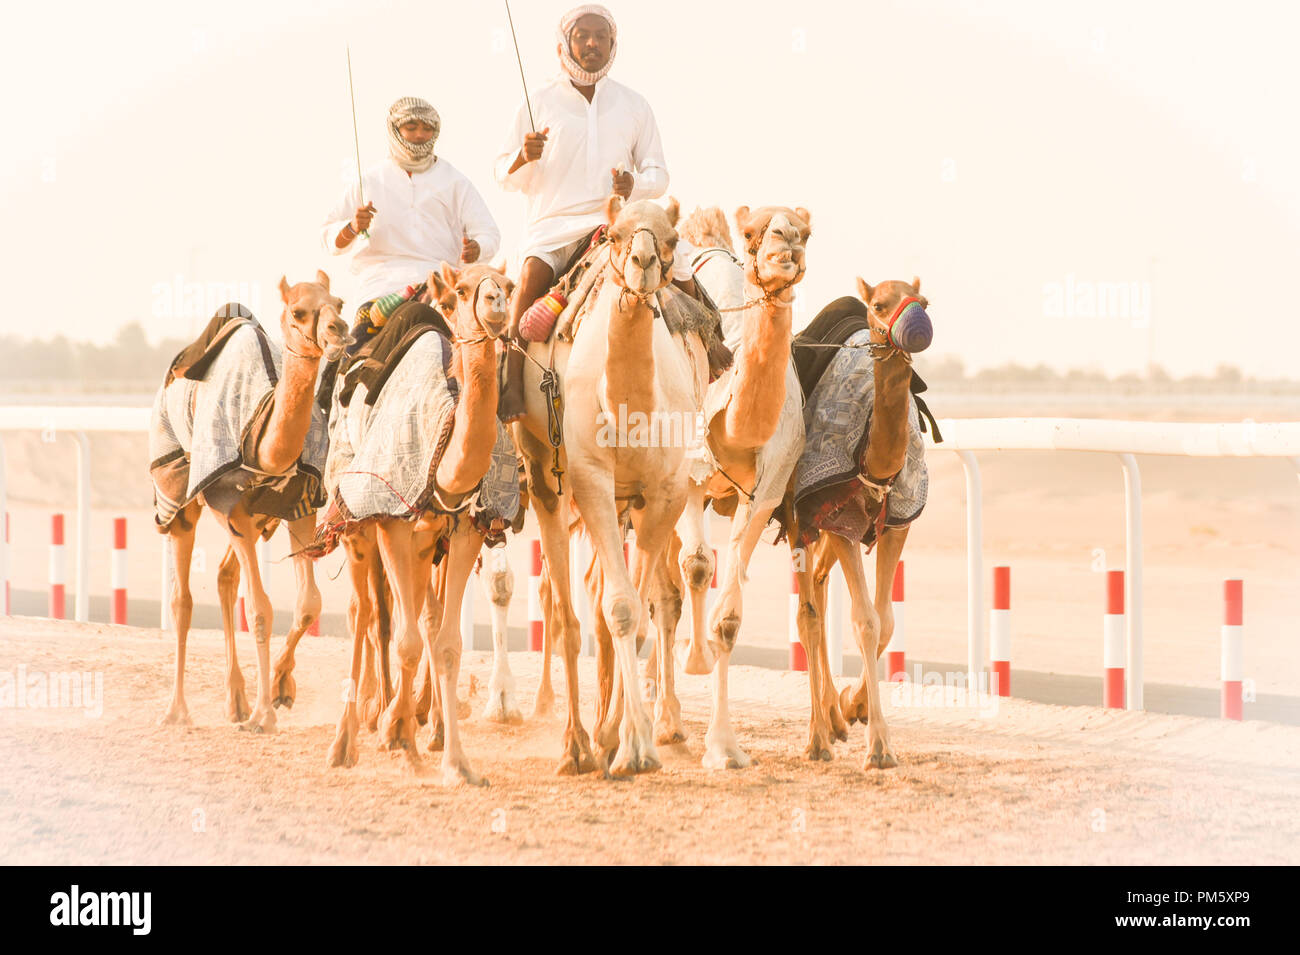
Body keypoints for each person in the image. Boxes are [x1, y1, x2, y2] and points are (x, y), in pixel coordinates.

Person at [493, 4, 697, 421]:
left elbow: (659, 173)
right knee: (530, 278)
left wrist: (633, 186)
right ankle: (513, 385)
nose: (592, 43)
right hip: (552, 228)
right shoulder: (538, 102)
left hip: (615, 227)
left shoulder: (634, 103)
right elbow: (501, 174)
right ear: (564, 44)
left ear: (612, 43)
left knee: (684, 263)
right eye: (582, 35)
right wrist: (521, 156)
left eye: (601, 36)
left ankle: (709, 353)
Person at [323, 96, 501, 346]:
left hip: (441, 290)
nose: (420, 135)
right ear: (395, 130)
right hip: (380, 288)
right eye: (411, 127)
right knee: (353, 359)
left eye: (427, 128)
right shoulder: (370, 181)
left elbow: (489, 234)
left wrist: (477, 248)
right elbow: (328, 236)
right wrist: (353, 227)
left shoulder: (455, 181)